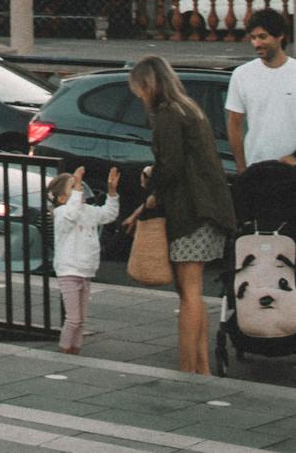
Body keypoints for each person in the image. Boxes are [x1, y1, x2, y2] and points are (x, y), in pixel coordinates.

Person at [124, 56, 236, 374]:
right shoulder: (189, 108)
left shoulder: (168, 114)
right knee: (194, 291)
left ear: (148, 84)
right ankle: (200, 366)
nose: (138, 96)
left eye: (138, 89)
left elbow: (170, 166)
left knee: (187, 293)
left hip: (192, 210)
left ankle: (190, 366)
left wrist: (150, 185)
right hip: (209, 208)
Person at [49, 165, 120, 355]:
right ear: (62, 199)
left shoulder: (87, 211)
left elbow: (108, 214)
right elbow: (72, 213)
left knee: (80, 320)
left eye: (79, 187)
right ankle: (64, 351)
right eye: (73, 188)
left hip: (85, 270)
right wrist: (78, 187)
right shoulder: (62, 214)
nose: (79, 190)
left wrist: (112, 193)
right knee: (72, 319)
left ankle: (75, 350)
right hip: (69, 271)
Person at [225, 7, 296, 173]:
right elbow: (235, 123)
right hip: (256, 170)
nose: (257, 43)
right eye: (253, 38)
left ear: (279, 36)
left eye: (263, 37)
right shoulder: (241, 75)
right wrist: (241, 167)